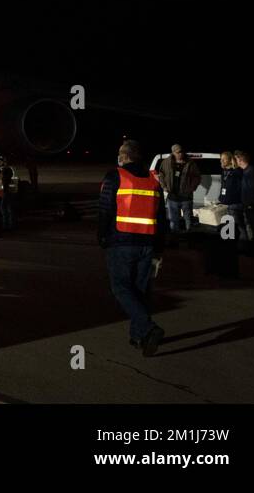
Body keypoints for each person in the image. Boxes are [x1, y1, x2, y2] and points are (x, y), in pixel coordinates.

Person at [98, 141, 168, 355]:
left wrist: (102, 236)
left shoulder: (115, 176)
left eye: (120, 154)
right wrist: (159, 248)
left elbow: (105, 209)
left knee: (120, 288)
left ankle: (148, 327)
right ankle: (139, 336)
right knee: (139, 291)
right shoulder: (153, 181)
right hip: (147, 244)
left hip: (121, 242)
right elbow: (161, 217)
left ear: (125, 156)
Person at [156, 144, 200, 234]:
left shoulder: (190, 162)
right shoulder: (166, 162)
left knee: (188, 220)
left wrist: (192, 188)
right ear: (173, 153)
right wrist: (164, 186)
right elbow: (161, 175)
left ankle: (190, 239)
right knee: (173, 221)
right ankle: (174, 239)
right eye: (178, 152)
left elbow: (197, 177)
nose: (181, 154)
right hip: (172, 197)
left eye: (182, 152)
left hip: (186, 197)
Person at [233, 149, 254, 255]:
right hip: (249, 205)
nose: (235, 161)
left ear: (240, 159)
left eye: (236, 159)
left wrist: (250, 204)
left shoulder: (251, 171)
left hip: (253, 206)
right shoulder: (247, 171)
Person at [0, 156, 17, 231]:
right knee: (7, 209)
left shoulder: (7, 169)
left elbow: (5, 181)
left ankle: (8, 225)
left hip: (8, 191)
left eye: (1, 160)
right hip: (7, 191)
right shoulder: (6, 169)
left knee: (5, 209)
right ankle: (9, 225)